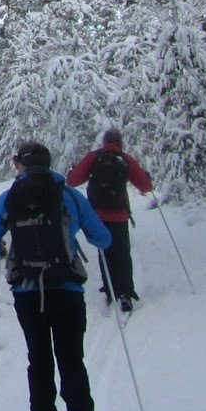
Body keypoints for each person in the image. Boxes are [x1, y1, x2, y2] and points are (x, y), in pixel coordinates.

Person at [0, 140, 111, 411]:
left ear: (22, 165)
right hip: (67, 288)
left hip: (26, 292)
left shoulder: (9, 198)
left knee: (38, 360)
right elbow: (101, 237)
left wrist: (2, 249)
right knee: (71, 359)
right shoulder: (69, 196)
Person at [65, 128, 154, 312]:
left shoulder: (94, 157)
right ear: (120, 142)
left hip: (98, 216)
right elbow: (145, 186)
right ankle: (126, 292)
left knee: (105, 252)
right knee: (122, 253)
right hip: (119, 215)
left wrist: (72, 171)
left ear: (104, 141)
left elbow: (72, 181)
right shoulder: (126, 160)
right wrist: (147, 177)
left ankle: (110, 290)